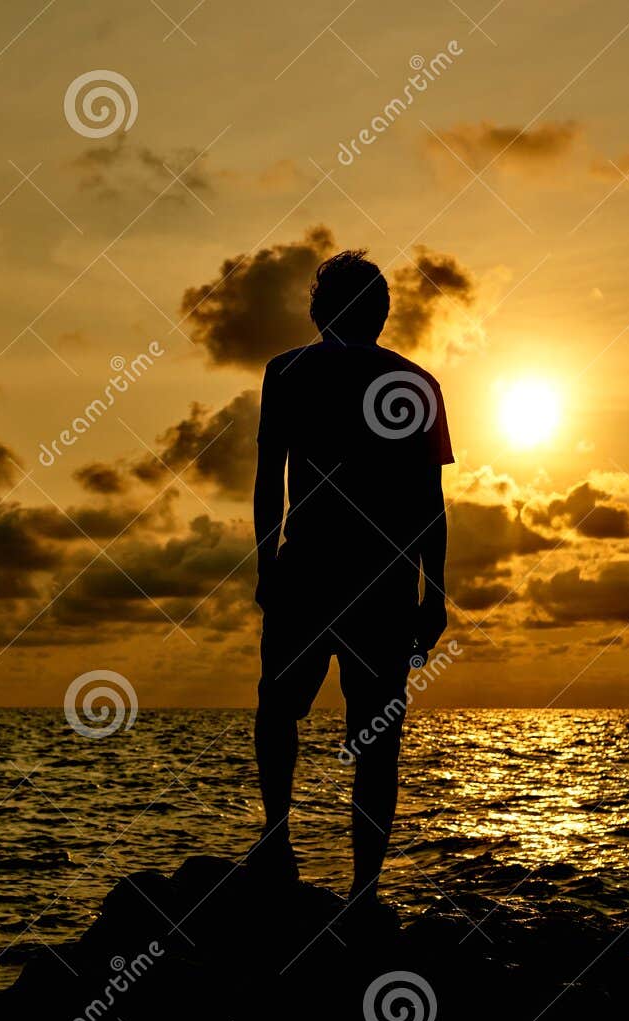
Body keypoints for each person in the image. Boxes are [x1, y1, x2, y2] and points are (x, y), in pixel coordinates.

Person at [250, 249, 453, 906]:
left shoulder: (287, 372)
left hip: (306, 569)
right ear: (381, 312)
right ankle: (364, 892)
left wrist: (265, 565)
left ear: (318, 310)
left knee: (278, 709)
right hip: (384, 583)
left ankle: (277, 839)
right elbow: (430, 502)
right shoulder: (415, 381)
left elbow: (267, 482)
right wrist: (434, 592)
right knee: (377, 740)